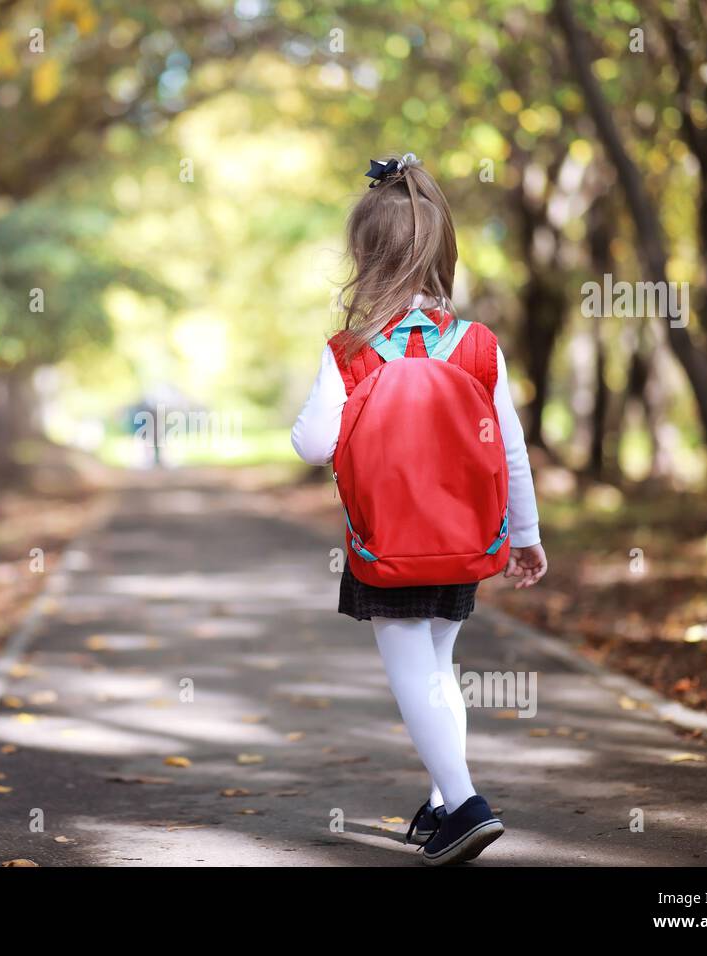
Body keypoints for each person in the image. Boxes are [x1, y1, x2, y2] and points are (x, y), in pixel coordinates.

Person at [291, 153, 548, 865]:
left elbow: (314, 445)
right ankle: (441, 805)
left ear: (364, 256)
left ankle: (466, 805)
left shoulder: (350, 352)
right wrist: (524, 534)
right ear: (441, 253)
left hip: (387, 546)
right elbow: (512, 453)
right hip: (462, 540)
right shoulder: (477, 346)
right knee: (440, 668)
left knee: (414, 673)